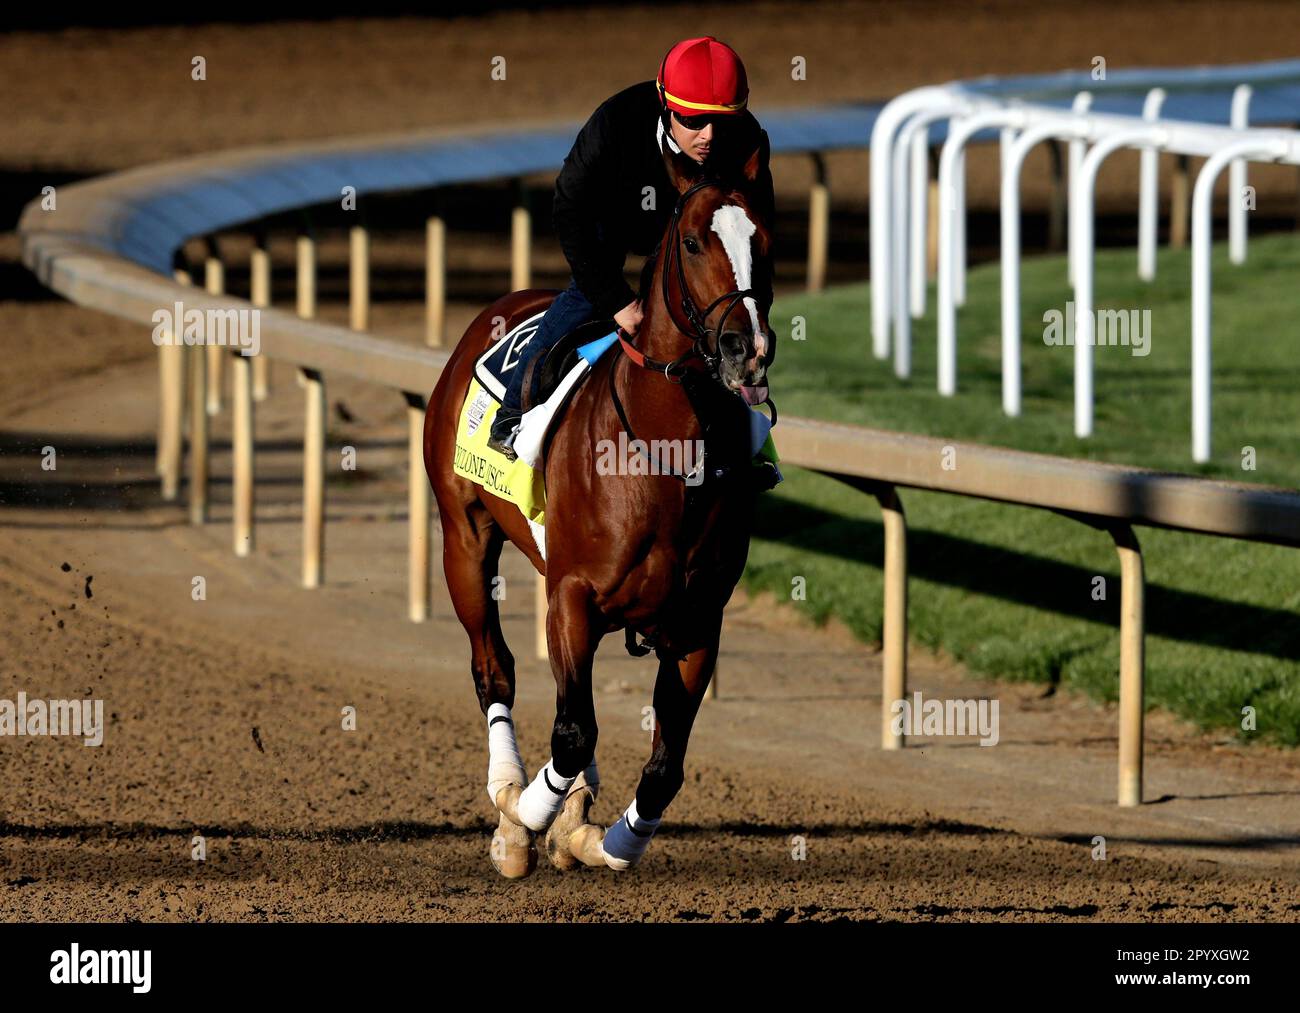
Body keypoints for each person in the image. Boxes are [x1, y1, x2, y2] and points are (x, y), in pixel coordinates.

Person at [487, 35, 776, 460]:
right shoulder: (615, 124)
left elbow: (755, 248)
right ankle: (513, 413)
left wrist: (757, 321)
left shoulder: (746, 140)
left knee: (728, 331)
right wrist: (616, 300)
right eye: (694, 121)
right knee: (584, 299)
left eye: (723, 121)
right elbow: (570, 210)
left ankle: (754, 454)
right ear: (666, 104)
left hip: (699, 237)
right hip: (615, 224)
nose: (710, 136)